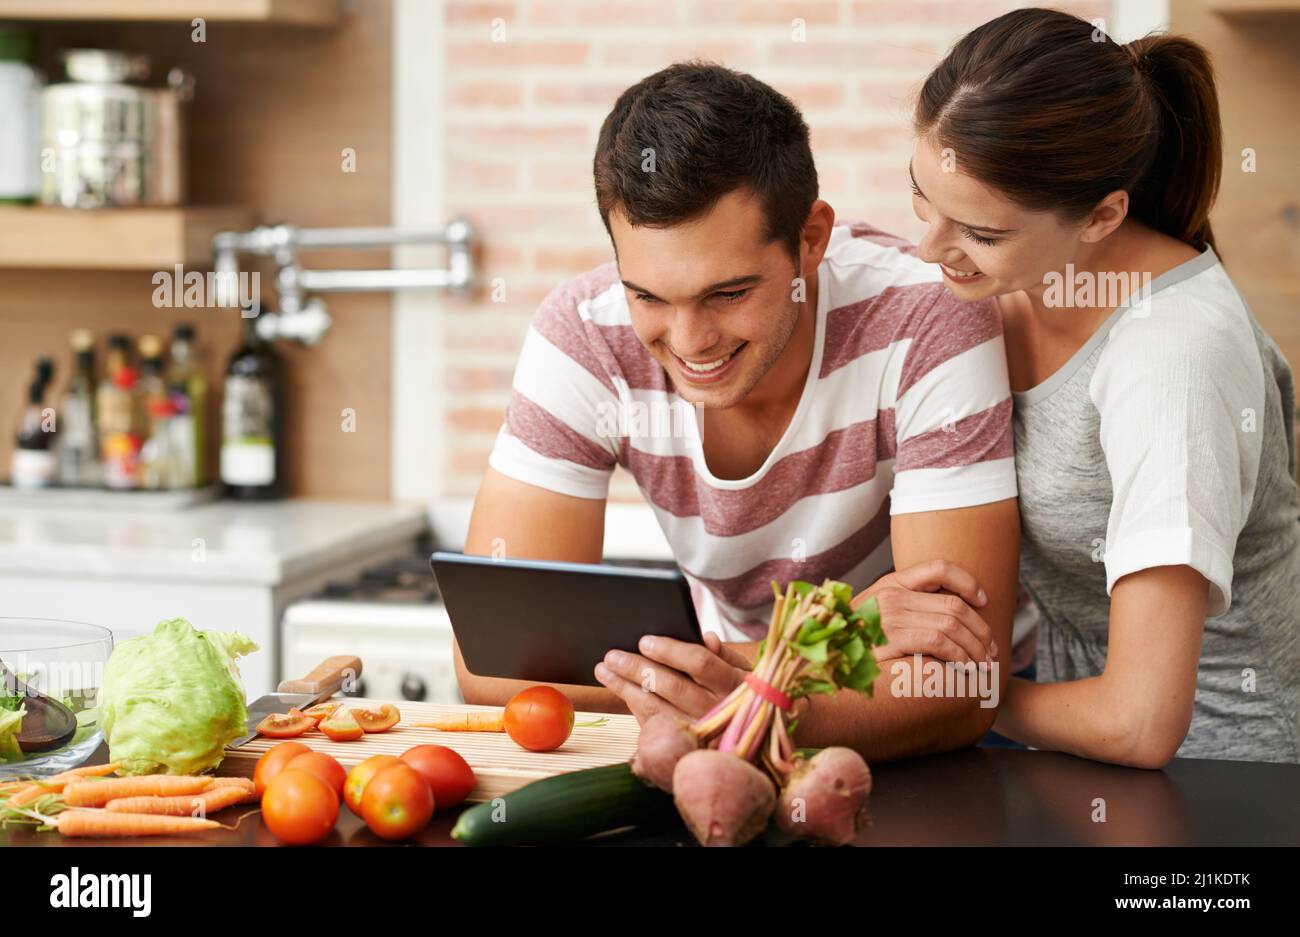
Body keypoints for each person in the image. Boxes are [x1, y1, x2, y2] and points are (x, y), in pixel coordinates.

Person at [456, 62, 1020, 762]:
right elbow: (493, 658)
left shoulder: (929, 317)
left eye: (727, 294)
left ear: (810, 241)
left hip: (946, 761)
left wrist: (724, 692)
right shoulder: (585, 334)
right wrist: (814, 646)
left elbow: (960, 685)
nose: (691, 343)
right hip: (754, 734)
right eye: (649, 296)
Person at [908, 8, 1299, 765]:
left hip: (1228, 776)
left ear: (1102, 216)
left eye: (980, 233)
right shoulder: (1013, 281)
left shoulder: (1172, 354)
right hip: (1070, 756)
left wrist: (958, 699)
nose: (929, 247)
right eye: (923, 196)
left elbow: (1139, 722)